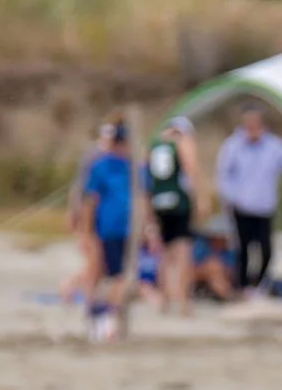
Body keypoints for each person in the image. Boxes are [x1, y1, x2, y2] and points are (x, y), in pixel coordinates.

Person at [217, 106, 282, 295]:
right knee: (243, 250)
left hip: (264, 208)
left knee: (266, 250)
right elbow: (223, 175)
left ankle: (259, 285)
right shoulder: (233, 146)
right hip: (241, 207)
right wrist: (230, 198)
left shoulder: (274, 146)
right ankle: (242, 287)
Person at [80, 123, 135, 340]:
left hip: (127, 230)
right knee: (104, 274)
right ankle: (100, 317)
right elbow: (89, 201)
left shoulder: (133, 168)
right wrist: (86, 232)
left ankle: (110, 318)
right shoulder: (100, 166)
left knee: (119, 276)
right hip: (106, 229)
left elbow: (141, 199)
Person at [143, 116, 201, 315]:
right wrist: (199, 201)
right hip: (178, 201)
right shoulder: (181, 144)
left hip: (159, 202)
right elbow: (191, 171)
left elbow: (146, 179)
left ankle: (164, 299)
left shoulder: (154, 145)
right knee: (183, 251)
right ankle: (184, 301)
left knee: (165, 254)